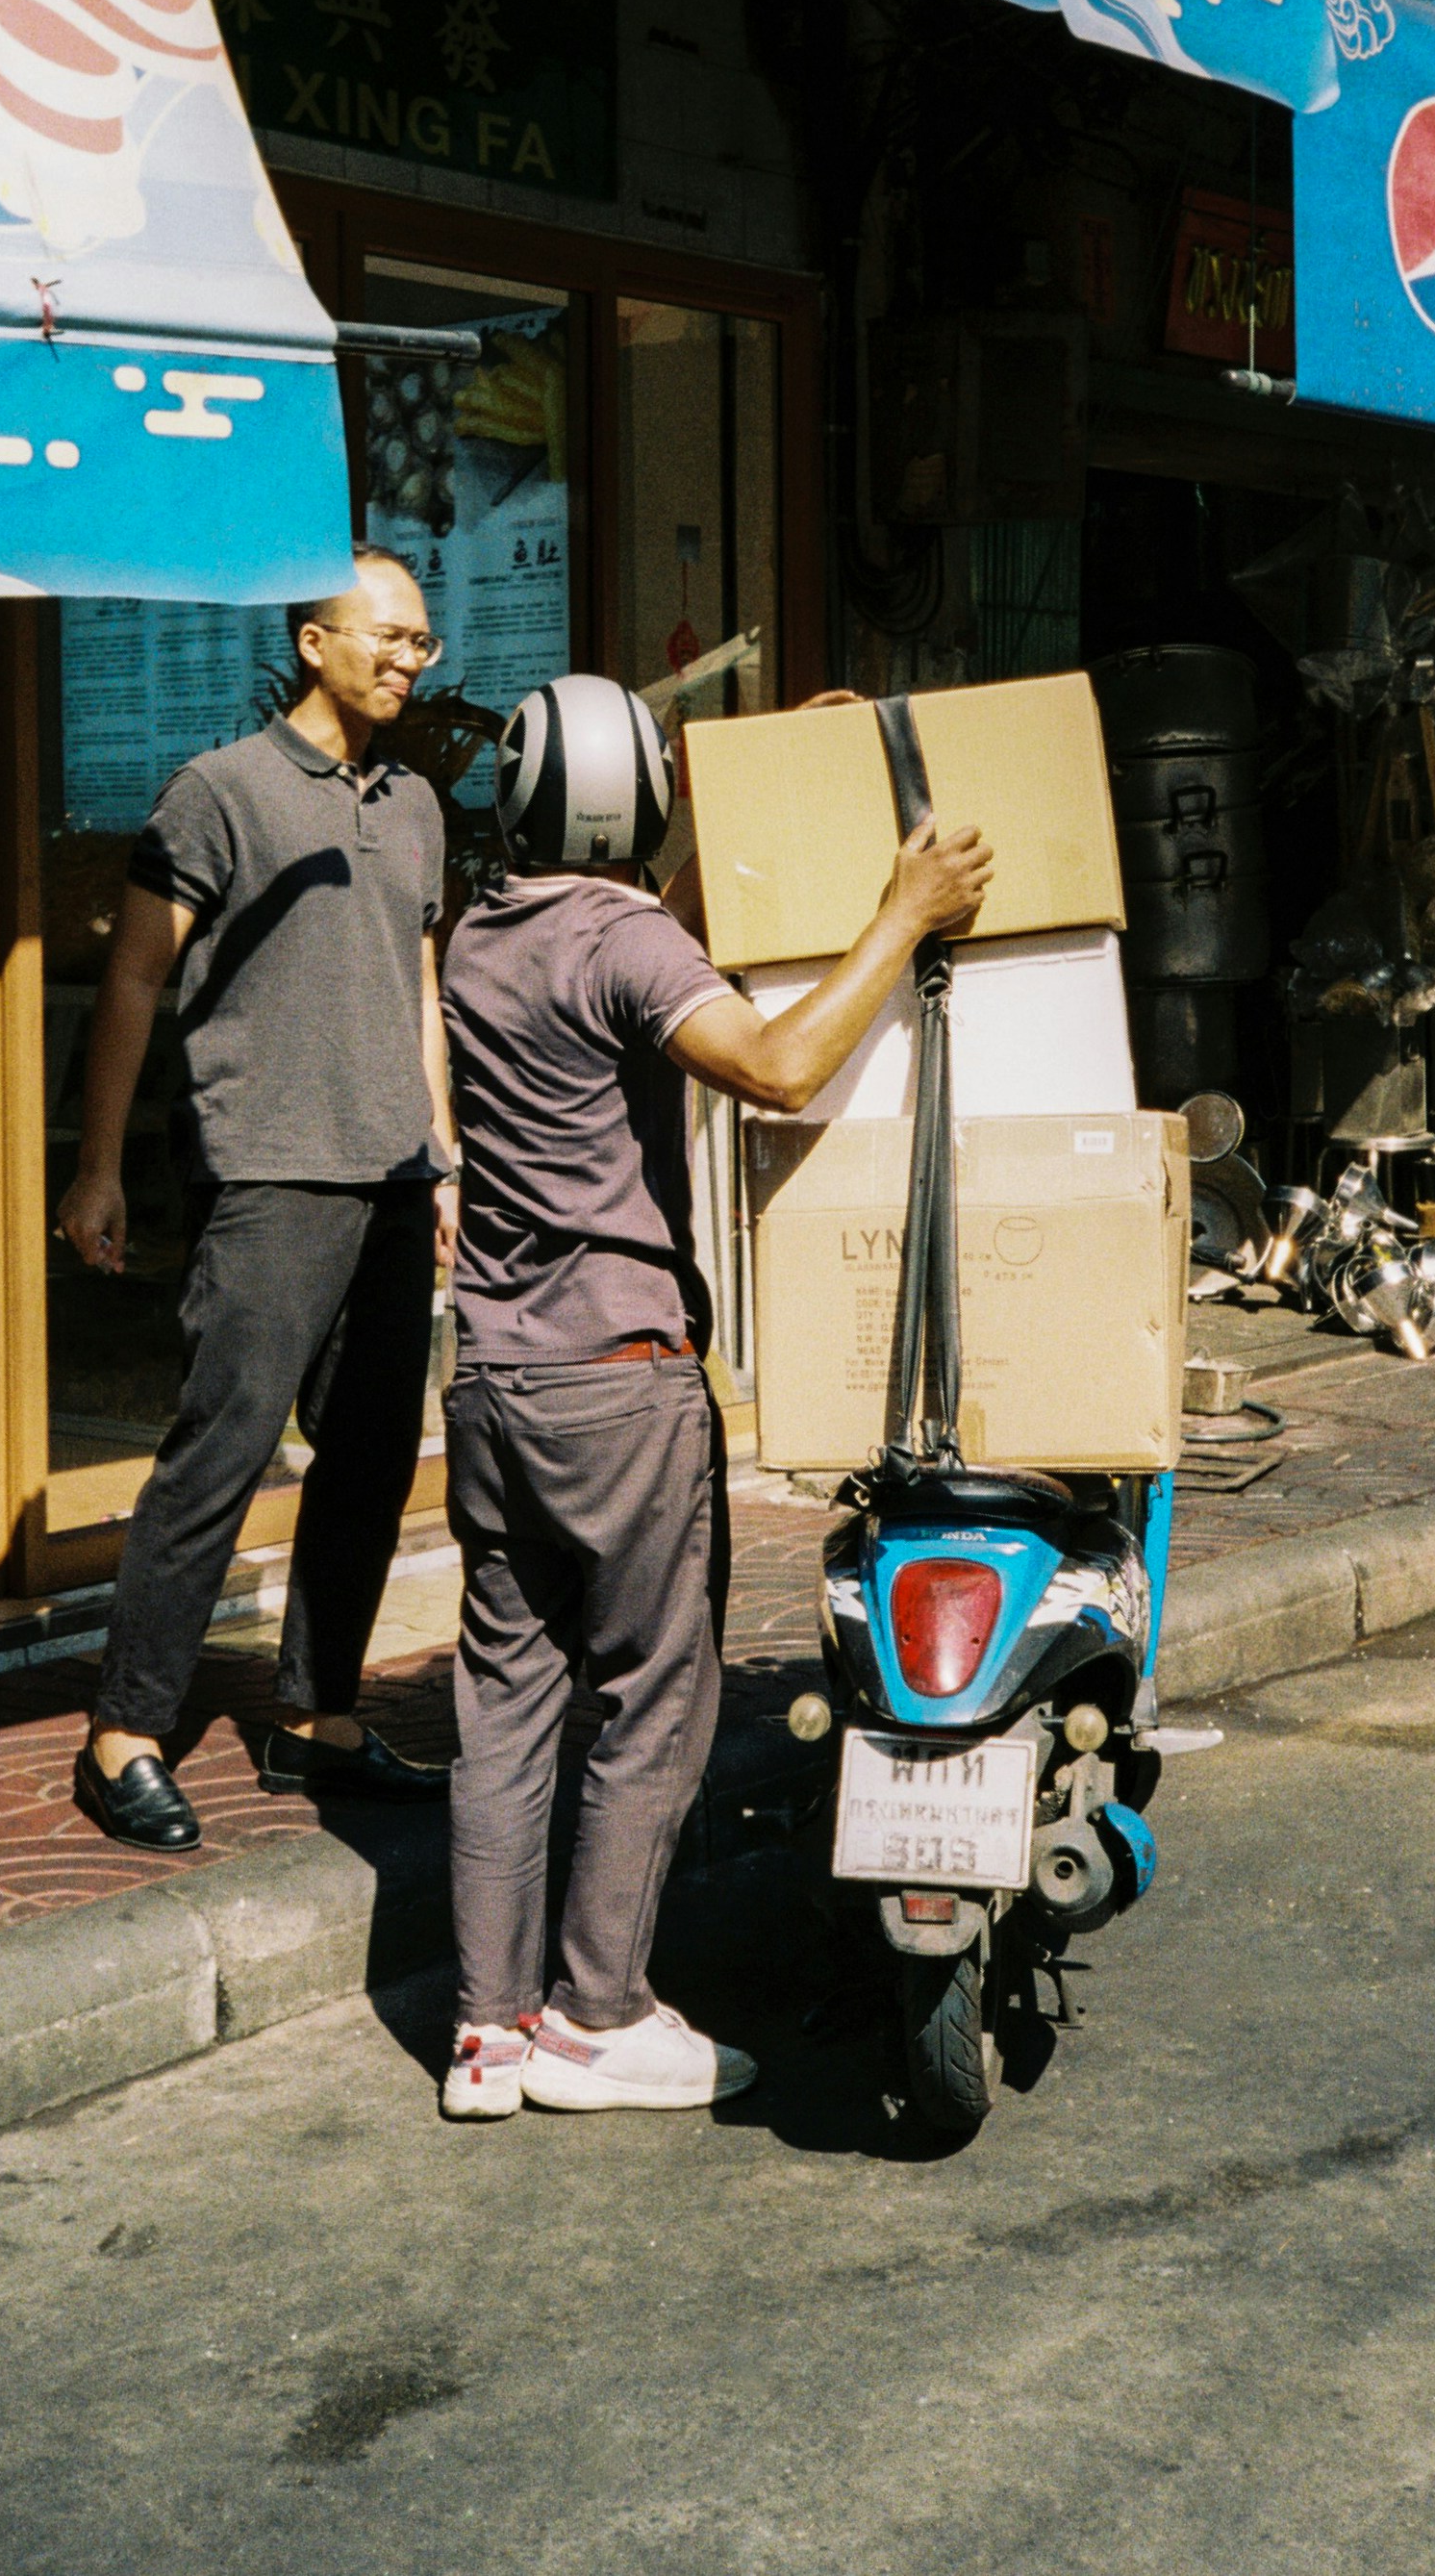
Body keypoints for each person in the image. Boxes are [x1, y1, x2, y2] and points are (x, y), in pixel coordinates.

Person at [436, 671, 990, 2119]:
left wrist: (763, 778)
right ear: (645, 814)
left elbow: (623, 938)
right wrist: (905, 914)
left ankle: (487, 2034)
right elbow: (782, 1064)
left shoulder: (480, 930)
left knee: (505, 1704)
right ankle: (600, 2016)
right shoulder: (624, 941)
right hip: (619, 1386)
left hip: (493, 1380)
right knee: (653, 1696)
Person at [56, 549, 459, 1853]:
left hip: (394, 1180)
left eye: (424, 641)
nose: (413, 657)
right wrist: (97, 1162)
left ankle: (316, 1716)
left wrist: (439, 1152)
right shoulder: (218, 793)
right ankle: (125, 1730)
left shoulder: (415, 803)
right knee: (218, 1457)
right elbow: (132, 987)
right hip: (268, 1175)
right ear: (313, 641)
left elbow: (421, 990)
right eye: (390, 636)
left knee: (371, 1461)